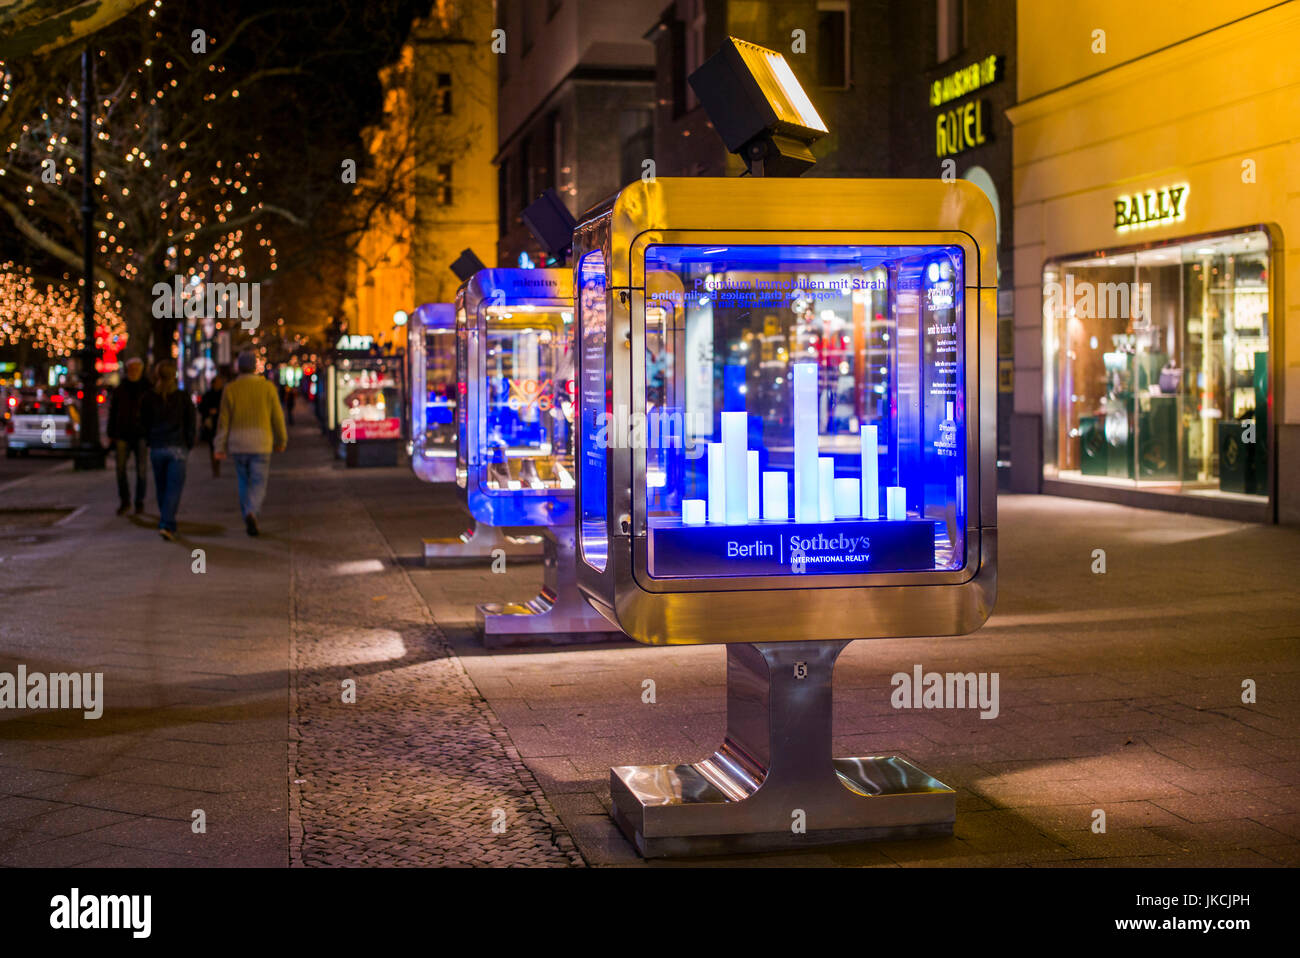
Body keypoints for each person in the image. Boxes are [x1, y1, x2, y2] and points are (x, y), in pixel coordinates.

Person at [215, 351, 287, 536]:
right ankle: (251, 511)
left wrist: (220, 447)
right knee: (258, 481)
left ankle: (246, 511)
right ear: (255, 367)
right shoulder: (267, 387)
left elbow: (223, 421)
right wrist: (281, 440)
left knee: (242, 480)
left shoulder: (230, 389)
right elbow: (277, 417)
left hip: (238, 443)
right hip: (261, 442)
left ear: (238, 367)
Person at [140, 361, 196, 541]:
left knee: (162, 486)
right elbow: (191, 421)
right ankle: (167, 523)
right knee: (174, 487)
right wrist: (189, 442)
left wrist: (149, 440)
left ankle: (166, 520)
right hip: (177, 447)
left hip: (157, 446)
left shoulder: (149, 397)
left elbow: (143, 422)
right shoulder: (181, 397)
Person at [106, 357, 151, 515]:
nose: (134, 372)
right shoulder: (121, 389)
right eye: (131, 369)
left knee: (141, 470)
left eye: (136, 369)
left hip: (141, 434)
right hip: (123, 433)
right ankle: (125, 500)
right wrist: (111, 433)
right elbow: (113, 412)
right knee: (120, 469)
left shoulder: (147, 388)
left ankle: (139, 501)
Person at [198, 373, 227, 477]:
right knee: (212, 446)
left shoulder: (224, 394)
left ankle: (217, 465)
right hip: (211, 425)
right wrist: (209, 412)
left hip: (221, 424)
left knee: (219, 446)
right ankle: (215, 467)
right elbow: (201, 408)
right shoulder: (208, 395)